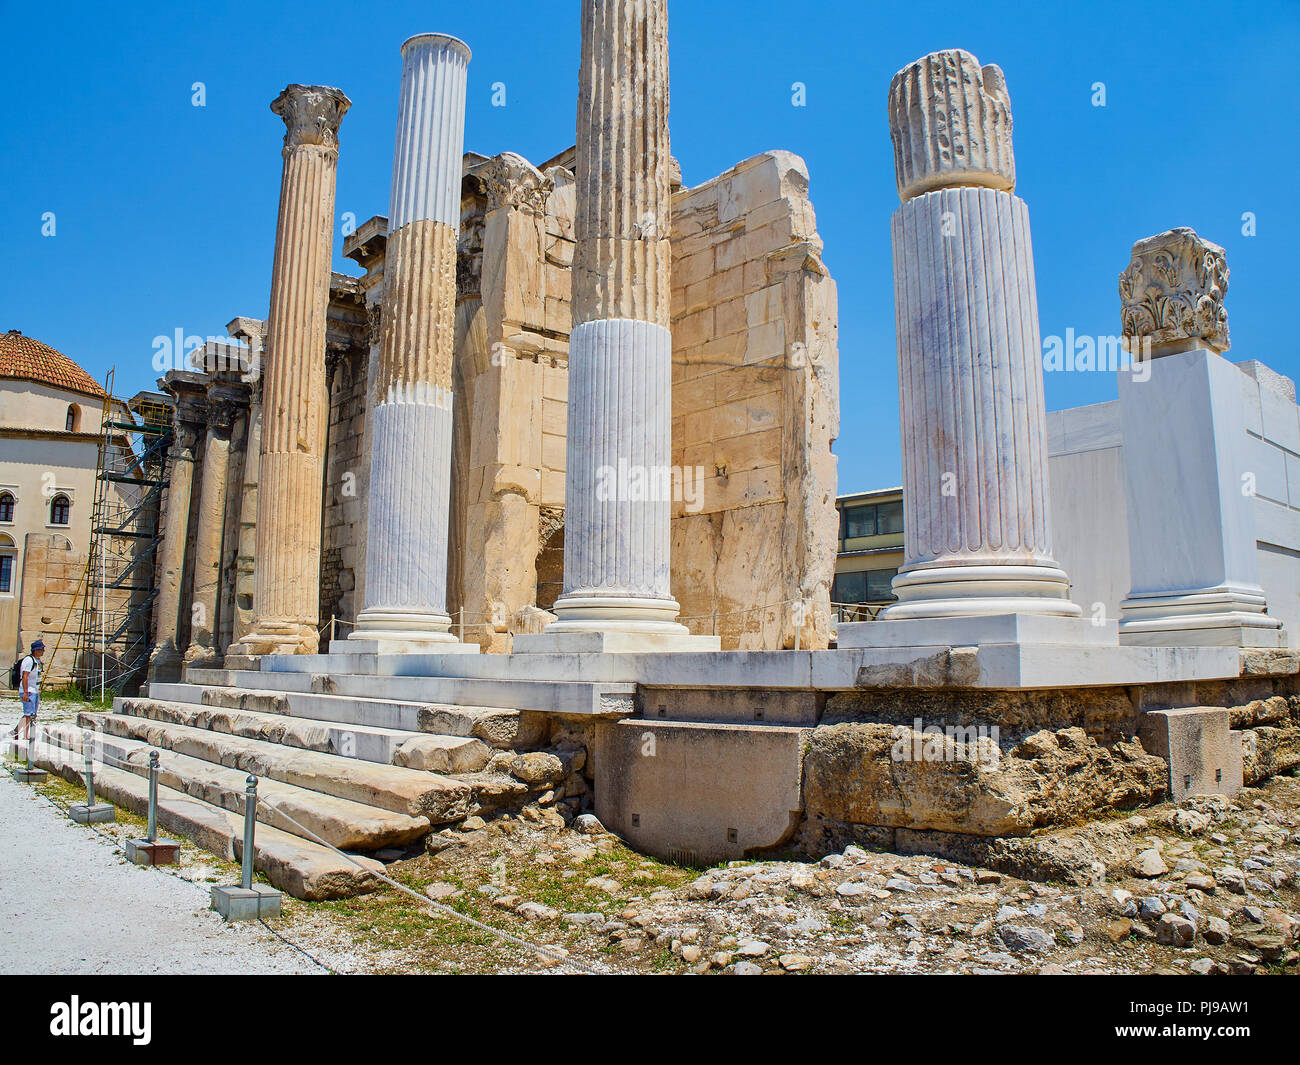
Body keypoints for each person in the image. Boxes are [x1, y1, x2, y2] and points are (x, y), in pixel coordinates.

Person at [12, 639, 43, 742]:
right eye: (41, 649)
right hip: (28, 690)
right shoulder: (29, 660)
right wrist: (25, 692)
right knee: (28, 714)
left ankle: (16, 731)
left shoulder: (36, 661)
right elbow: (25, 677)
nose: (43, 651)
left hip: (34, 690)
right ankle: (25, 735)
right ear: (36, 650)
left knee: (32, 714)